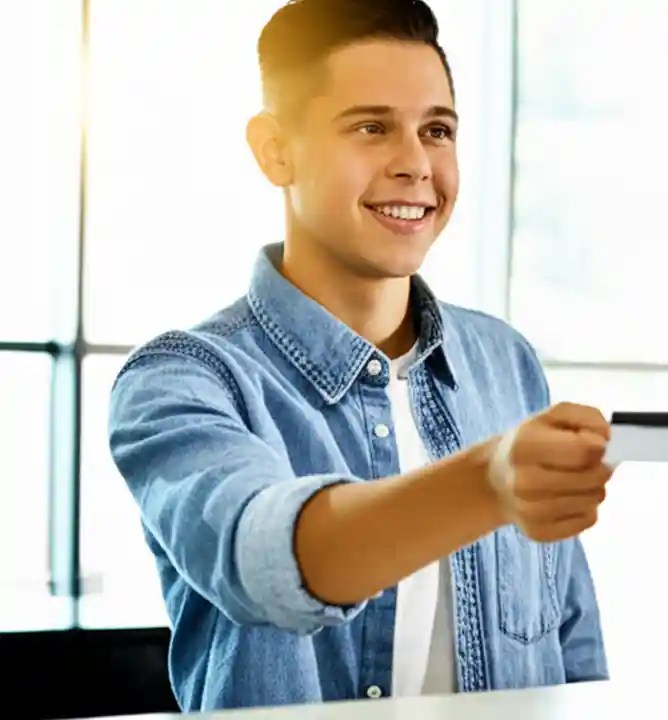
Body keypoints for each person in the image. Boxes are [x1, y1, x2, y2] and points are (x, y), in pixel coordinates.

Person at [107, 0, 609, 711]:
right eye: (371, 128)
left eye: (437, 130)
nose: (414, 164)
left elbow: (571, 639)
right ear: (274, 149)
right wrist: (488, 482)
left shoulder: (506, 360)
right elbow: (267, 561)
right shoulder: (183, 380)